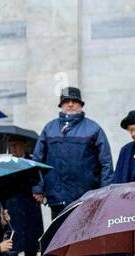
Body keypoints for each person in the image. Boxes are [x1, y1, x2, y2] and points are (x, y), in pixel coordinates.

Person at [32, 86, 113, 222]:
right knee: (58, 238)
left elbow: (106, 163)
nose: (70, 104)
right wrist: (38, 188)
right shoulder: (49, 128)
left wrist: (105, 192)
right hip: (57, 198)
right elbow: (37, 160)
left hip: (87, 198)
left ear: (80, 104)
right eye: (66, 101)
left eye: (74, 101)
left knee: (85, 238)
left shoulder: (94, 129)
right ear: (61, 105)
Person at [2, 135, 44, 256]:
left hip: (30, 208)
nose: (14, 148)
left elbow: (39, 182)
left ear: (24, 146)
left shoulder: (33, 163)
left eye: (17, 145)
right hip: (12, 207)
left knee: (31, 245)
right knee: (12, 244)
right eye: (11, 145)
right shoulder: (6, 165)